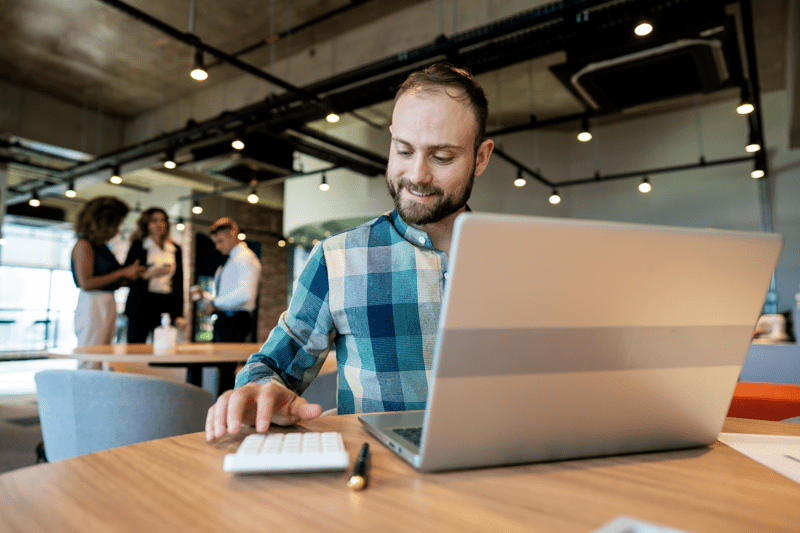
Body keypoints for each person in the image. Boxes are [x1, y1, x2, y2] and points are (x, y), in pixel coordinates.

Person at [206, 63, 494, 442]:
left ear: (481, 157)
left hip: (501, 477)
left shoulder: (520, 261)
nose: (417, 175)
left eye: (442, 157)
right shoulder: (336, 258)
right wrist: (259, 389)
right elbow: (271, 365)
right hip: (377, 481)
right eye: (404, 150)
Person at [71, 196, 146, 350]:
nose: (118, 230)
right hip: (93, 304)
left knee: (104, 351)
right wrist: (122, 272)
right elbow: (86, 283)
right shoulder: (83, 245)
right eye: (116, 224)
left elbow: (110, 279)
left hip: (107, 302)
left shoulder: (102, 247)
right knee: (91, 354)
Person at [123, 207, 186, 343]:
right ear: (146, 224)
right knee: (136, 349)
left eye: (163, 220)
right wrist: (148, 274)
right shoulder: (138, 246)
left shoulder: (175, 249)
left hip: (165, 304)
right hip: (141, 304)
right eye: (154, 220)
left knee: (163, 349)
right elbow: (126, 277)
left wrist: (179, 314)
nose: (160, 224)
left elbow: (179, 283)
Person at [199, 217, 262, 343]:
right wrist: (206, 297)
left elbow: (245, 294)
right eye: (215, 242)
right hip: (227, 320)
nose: (217, 247)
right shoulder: (233, 259)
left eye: (220, 241)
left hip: (235, 322)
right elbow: (228, 295)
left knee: (228, 362)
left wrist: (215, 304)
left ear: (232, 234)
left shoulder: (245, 258)